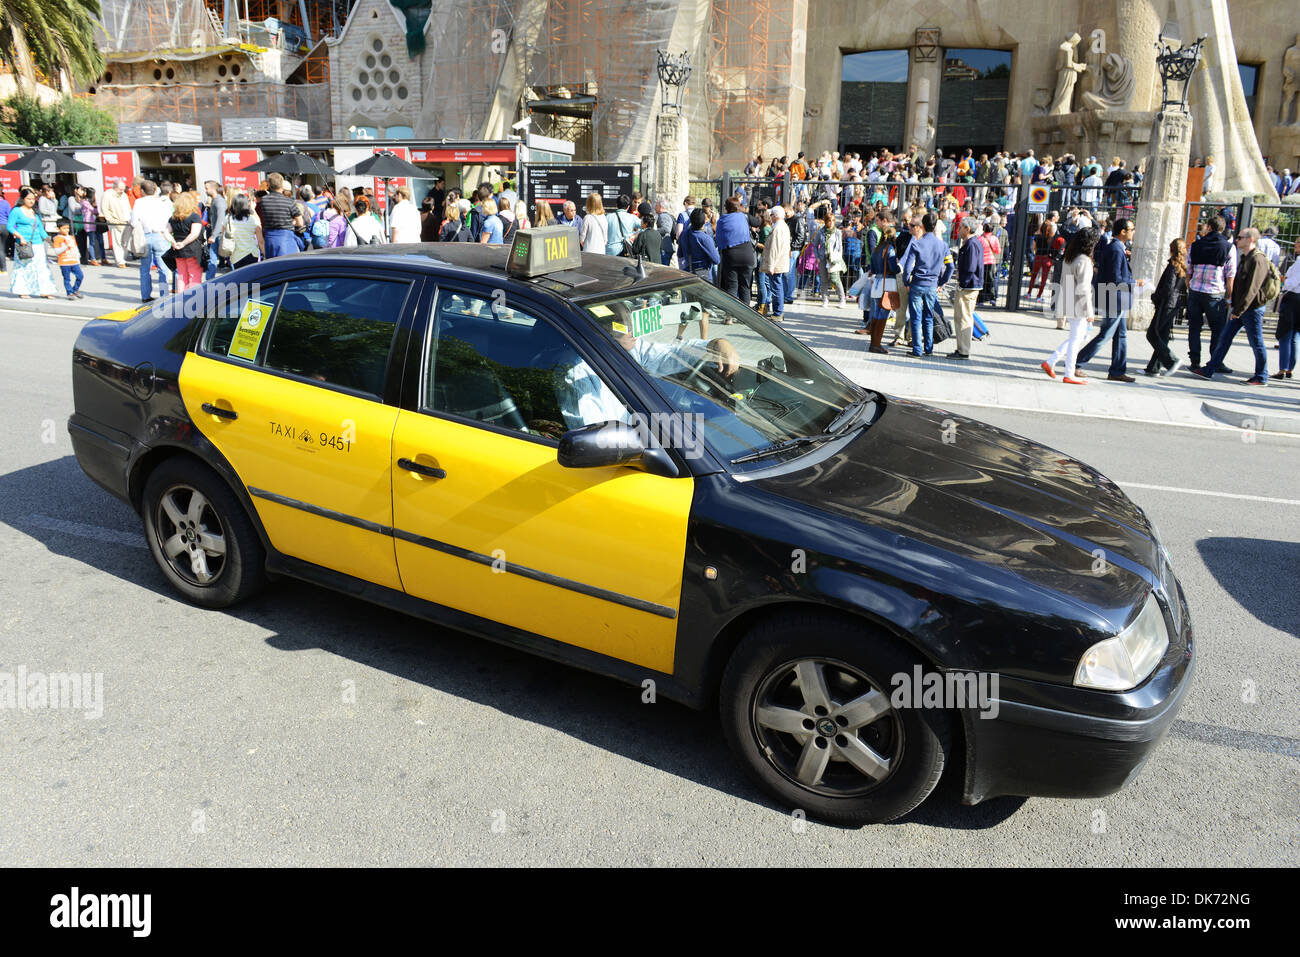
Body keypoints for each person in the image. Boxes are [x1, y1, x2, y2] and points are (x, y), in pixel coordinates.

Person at [1192, 228, 1273, 385]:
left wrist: (1239, 310)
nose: (1237, 240)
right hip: (1241, 308)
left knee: (1257, 342)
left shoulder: (1257, 260)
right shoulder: (1246, 257)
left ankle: (1261, 376)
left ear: (1250, 239)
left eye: (1240, 237)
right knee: (1225, 338)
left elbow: (1252, 289)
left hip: (1251, 309)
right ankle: (1209, 369)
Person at [1073, 217, 1143, 381]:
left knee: (1121, 335)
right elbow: (1115, 278)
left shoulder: (1118, 248)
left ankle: (1117, 371)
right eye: (1131, 229)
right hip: (1114, 298)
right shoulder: (1115, 249)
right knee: (1105, 335)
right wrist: (1135, 282)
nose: (1133, 232)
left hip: (1119, 299)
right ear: (1123, 231)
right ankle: (1077, 362)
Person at [1042, 227, 1099, 384]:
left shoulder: (1070, 256)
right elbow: (1084, 288)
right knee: (1076, 340)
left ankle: (1052, 362)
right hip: (1079, 304)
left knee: (1076, 337)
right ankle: (1068, 372)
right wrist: (1089, 311)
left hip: (1068, 300)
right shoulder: (1084, 261)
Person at [897, 212, 952, 356]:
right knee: (928, 317)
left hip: (917, 284)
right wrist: (942, 282)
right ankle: (929, 348)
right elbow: (951, 266)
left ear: (922, 225)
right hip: (932, 285)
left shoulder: (917, 243)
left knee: (916, 317)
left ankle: (917, 349)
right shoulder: (943, 245)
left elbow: (908, 267)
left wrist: (906, 281)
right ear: (935, 226)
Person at [1186, 215, 1235, 372]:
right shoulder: (1228, 247)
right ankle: (1215, 360)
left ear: (1209, 227)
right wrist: (1229, 298)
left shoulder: (1195, 245)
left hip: (1195, 291)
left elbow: (1188, 271)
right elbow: (1230, 275)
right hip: (1214, 293)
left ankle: (1194, 360)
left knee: (1194, 327)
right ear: (1222, 229)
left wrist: (1190, 287)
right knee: (1217, 329)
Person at [1144, 239, 1188, 377]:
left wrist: (1155, 296)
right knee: (1162, 336)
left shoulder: (1173, 266)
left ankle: (1171, 360)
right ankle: (1154, 368)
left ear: (1171, 250)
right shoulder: (1182, 267)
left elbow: (1168, 289)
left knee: (1152, 334)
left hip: (1166, 304)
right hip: (1173, 305)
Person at [858, 218, 898, 352]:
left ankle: (874, 343)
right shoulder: (889, 249)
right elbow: (893, 266)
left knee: (876, 313)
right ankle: (876, 344)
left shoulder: (876, 249)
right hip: (887, 284)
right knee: (883, 313)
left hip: (876, 283)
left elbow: (874, 269)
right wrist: (899, 267)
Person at [7, 190, 55, 298]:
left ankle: (44, 290)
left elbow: (41, 229)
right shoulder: (16, 211)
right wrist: (20, 237)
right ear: (23, 199)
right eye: (29, 199)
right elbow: (9, 226)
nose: (31, 201)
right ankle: (23, 290)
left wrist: (50, 241)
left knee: (41, 267)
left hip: (38, 243)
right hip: (24, 244)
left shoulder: (35, 212)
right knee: (24, 267)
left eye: (33, 199)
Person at [130, 180, 173, 301]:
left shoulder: (139, 202)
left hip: (145, 236)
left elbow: (133, 221)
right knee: (163, 268)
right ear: (155, 190)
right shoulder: (161, 202)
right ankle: (164, 296)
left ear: (142, 191)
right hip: (160, 235)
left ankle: (145, 296)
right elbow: (168, 218)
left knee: (145, 268)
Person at [949, 219, 983, 359]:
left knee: (964, 317)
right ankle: (961, 348)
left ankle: (963, 350)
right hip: (968, 285)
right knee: (961, 316)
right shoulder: (970, 243)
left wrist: (962, 282)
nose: (959, 230)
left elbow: (970, 267)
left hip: (968, 287)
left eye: (961, 227)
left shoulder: (971, 244)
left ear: (967, 229)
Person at [716, 195, 756, 305]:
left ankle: (730, 316)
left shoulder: (722, 220)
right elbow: (756, 223)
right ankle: (746, 316)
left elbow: (719, 241)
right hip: (747, 254)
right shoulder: (743, 217)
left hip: (731, 255)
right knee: (745, 287)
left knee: (732, 287)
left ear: (726, 207)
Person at [1274, 237, 1300, 380]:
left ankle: (1282, 368)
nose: (1295, 244)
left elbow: (1291, 283)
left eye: (1298, 242)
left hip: (1293, 300)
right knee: (1295, 336)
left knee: (1285, 334)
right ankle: (1290, 368)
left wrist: (1282, 279)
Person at [168, 191, 205, 293]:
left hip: (178, 251)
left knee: (182, 276)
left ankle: (181, 299)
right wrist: (183, 243)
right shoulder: (194, 217)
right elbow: (194, 234)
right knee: (194, 275)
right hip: (192, 250)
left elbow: (165, 232)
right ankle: (194, 299)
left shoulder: (173, 218)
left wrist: (173, 242)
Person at [259, 172, 301, 258]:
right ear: (282, 185)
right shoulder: (289, 201)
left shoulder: (263, 201)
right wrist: (291, 222)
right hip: (286, 238)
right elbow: (300, 222)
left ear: (269, 185)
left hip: (270, 239)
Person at [761, 206, 791, 320]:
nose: (770, 217)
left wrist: (771, 265)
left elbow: (775, 248)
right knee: (778, 286)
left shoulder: (778, 227)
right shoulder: (783, 226)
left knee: (776, 287)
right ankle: (778, 311)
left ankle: (778, 313)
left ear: (776, 215)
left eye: (772, 215)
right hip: (780, 261)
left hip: (777, 263)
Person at [812, 205, 846, 307]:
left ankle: (842, 299)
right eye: (829, 221)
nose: (831, 223)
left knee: (835, 279)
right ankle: (825, 299)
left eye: (833, 221)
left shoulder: (837, 232)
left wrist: (838, 257)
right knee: (824, 280)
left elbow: (840, 247)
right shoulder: (821, 232)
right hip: (823, 258)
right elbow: (815, 245)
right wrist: (817, 257)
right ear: (826, 221)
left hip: (834, 259)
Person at [679, 206, 720, 281]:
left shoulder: (684, 234)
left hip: (687, 272)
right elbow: (716, 260)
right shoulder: (705, 238)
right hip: (703, 274)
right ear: (705, 222)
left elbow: (680, 254)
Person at [225, 192, 264, 269]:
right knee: (253, 279)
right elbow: (260, 241)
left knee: (240, 279)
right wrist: (265, 254)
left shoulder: (228, 219)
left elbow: (225, 235)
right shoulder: (253, 219)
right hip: (252, 254)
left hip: (236, 256)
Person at [51, 219, 83, 299]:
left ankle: (75, 289)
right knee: (67, 278)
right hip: (64, 262)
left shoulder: (71, 237)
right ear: (58, 229)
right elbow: (57, 251)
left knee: (80, 276)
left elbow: (75, 248)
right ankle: (69, 292)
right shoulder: (57, 238)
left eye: (67, 228)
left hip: (74, 261)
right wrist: (65, 247)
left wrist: (78, 257)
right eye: (64, 228)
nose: (66, 230)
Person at [202, 180, 227, 279]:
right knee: (213, 259)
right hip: (216, 234)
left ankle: (209, 280)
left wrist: (214, 235)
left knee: (229, 258)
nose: (205, 190)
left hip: (219, 234)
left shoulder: (219, 201)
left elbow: (220, 220)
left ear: (213, 189)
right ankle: (209, 280)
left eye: (207, 188)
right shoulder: (216, 200)